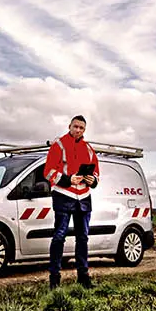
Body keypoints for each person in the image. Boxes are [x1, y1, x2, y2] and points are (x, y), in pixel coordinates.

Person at [44, 115, 98, 288]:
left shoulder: (89, 148)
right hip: (63, 195)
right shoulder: (58, 145)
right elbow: (48, 172)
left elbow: (96, 171)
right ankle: (54, 279)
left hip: (83, 197)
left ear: (85, 130)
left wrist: (93, 180)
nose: (78, 130)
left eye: (81, 128)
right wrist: (68, 180)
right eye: (75, 126)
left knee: (83, 238)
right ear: (69, 126)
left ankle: (83, 277)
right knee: (59, 237)